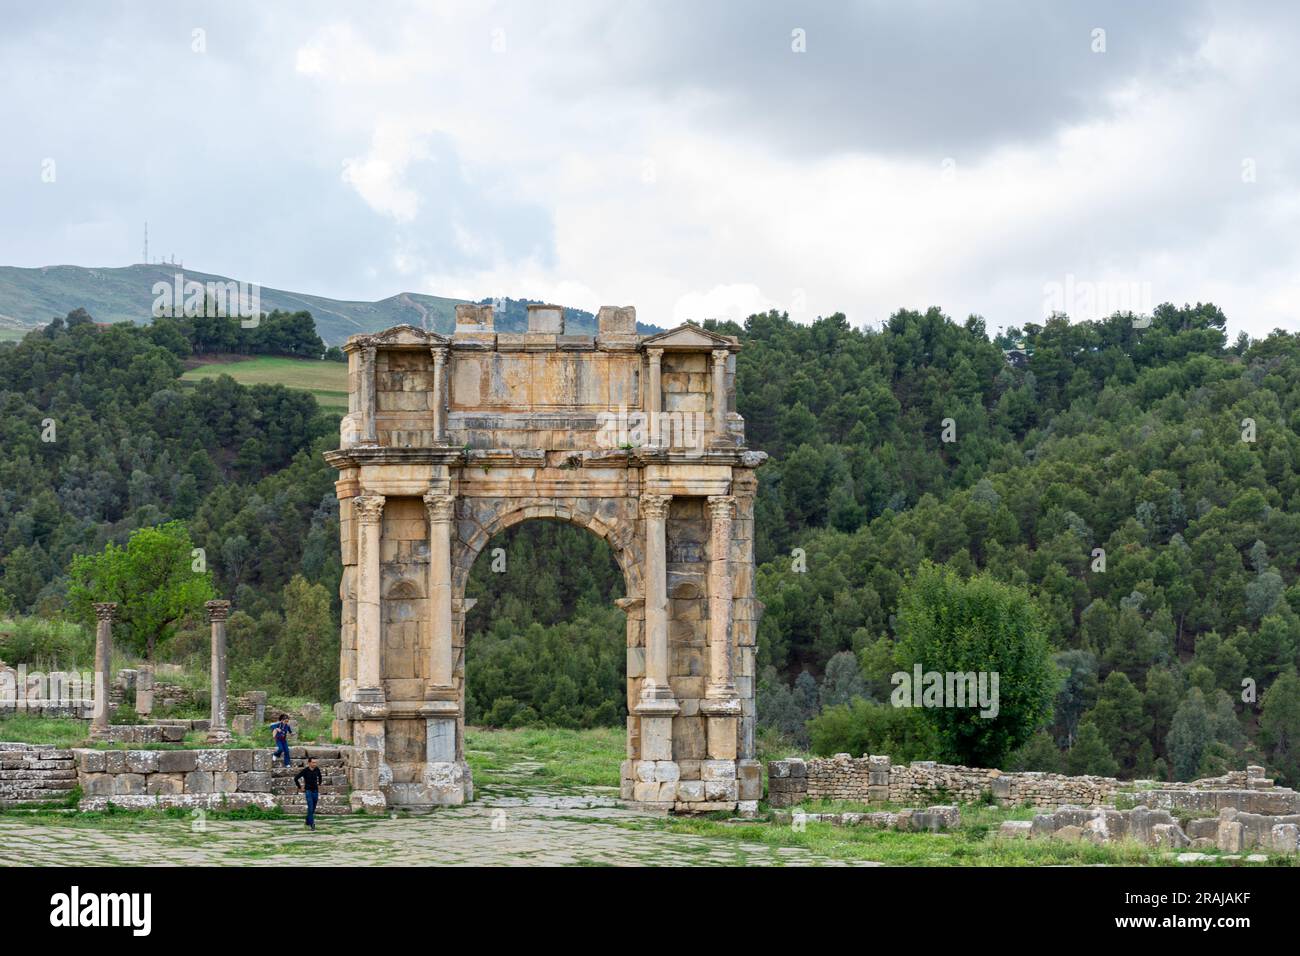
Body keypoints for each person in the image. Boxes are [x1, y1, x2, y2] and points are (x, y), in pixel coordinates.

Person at [294, 756, 323, 830]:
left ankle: (307, 821)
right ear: (309, 763)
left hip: (315, 791)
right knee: (310, 807)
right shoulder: (305, 770)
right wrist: (300, 787)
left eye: (315, 762)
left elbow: (320, 777)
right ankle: (312, 824)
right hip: (308, 791)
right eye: (313, 762)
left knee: (313, 808)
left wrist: (319, 784)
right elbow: (296, 778)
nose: (315, 764)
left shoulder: (317, 769)